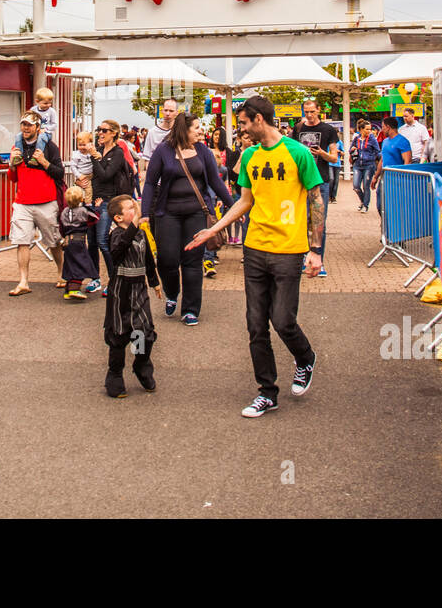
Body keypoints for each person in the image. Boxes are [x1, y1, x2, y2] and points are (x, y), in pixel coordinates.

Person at [188, 95, 321, 418]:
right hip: (255, 247)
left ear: (259, 119)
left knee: (283, 320)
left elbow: (315, 200)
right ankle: (267, 391)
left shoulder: (299, 154)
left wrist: (316, 250)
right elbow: (245, 200)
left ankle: (305, 358)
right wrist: (214, 229)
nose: (242, 129)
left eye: (245, 122)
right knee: (255, 324)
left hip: (289, 249)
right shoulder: (248, 156)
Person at [142, 112, 233, 326]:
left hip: (196, 213)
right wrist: (145, 212)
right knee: (167, 259)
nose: (201, 131)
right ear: (185, 129)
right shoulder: (163, 150)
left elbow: (215, 181)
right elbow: (149, 182)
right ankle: (172, 293)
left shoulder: (203, 151)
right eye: (197, 127)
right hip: (167, 213)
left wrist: (233, 205)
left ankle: (191, 309)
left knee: (193, 261)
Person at [103, 194, 158, 398]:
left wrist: (154, 282)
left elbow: (148, 259)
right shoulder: (116, 235)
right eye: (130, 208)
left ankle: (142, 365)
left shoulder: (141, 235)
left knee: (143, 332)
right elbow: (118, 252)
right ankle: (115, 374)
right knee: (119, 334)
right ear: (118, 217)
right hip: (120, 291)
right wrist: (134, 226)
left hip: (139, 289)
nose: (135, 210)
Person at [7, 111, 66, 296]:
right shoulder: (17, 146)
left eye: (29, 125)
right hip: (22, 202)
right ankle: (23, 281)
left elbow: (59, 173)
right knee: (21, 241)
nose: (25, 128)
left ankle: (61, 274)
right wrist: (10, 164)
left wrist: (44, 162)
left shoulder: (50, 147)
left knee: (54, 241)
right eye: (23, 124)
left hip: (46, 201)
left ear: (38, 127)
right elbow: (13, 178)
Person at [291, 99, 340, 277]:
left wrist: (322, 153)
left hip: (321, 180)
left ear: (319, 110)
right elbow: (290, 152)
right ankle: (304, 258)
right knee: (302, 221)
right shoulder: (298, 129)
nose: (309, 115)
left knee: (319, 223)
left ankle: (319, 259)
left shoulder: (328, 130)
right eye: (306, 112)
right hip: (301, 182)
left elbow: (334, 158)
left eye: (312, 111)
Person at [86, 119, 132, 290]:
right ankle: (95, 278)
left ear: (114, 133)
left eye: (104, 130)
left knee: (102, 241)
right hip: (93, 200)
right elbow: (96, 174)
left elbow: (106, 175)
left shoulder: (118, 153)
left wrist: (94, 158)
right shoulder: (98, 150)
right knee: (91, 241)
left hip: (107, 200)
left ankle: (114, 279)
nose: (100, 133)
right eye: (99, 130)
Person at [59, 186, 98, 301]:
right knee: (81, 263)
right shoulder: (83, 211)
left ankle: (68, 288)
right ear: (81, 199)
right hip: (79, 241)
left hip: (68, 240)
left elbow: (61, 227)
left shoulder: (64, 212)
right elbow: (94, 219)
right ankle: (74, 288)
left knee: (70, 263)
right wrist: (96, 207)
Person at [373, 116, 412, 215]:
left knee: (393, 205)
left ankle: (390, 225)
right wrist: (375, 177)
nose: (382, 129)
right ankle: (385, 224)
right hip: (384, 177)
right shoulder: (385, 141)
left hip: (396, 178)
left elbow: (407, 161)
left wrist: (403, 179)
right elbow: (382, 160)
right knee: (380, 204)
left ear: (388, 127)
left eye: (383, 127)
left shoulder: (402, 141)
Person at [139, 98, 179, 193]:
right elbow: (148, 159)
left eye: (171, 111)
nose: (168, 113)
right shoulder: (152, 132)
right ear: (162, 111)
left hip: (177, 182)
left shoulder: (181, 132)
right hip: (158, 184)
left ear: (176, 112)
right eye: (166, 110)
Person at [351, 119, 381, 213]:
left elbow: (378, 151)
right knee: (356, 186)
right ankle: (363, 201)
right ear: (361, 130)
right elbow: (350, 150)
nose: (369, 131)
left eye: (370, 129)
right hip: (357, 165)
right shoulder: (356, 139)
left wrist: (372, 158)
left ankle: (365, 205)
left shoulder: (372, 139)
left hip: (369, 165)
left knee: (366, 186)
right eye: (367, 129)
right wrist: (352, 149)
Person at [69, 130, 94, 203]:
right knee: (87, 190)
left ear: (90, 144)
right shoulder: (77, 155)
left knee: (88, 190)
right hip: (83, 175)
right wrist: (79, 175)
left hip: (92, 175)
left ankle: (87, 202)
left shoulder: (91, 153)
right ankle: (87, 204)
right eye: (80, 145)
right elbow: (73, 166)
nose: (82, 147)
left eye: (84, 145)